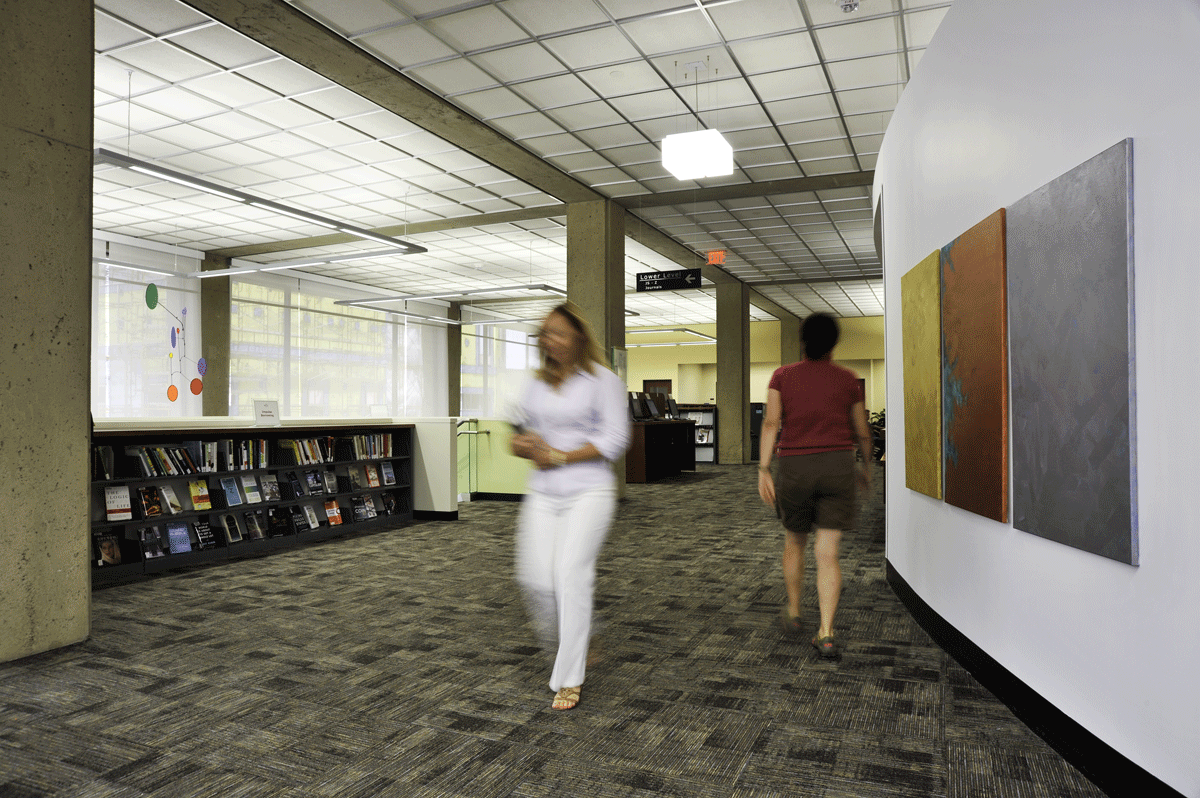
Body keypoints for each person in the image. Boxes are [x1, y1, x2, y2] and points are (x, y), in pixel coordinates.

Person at [510, 302, 631, 710]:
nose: (550, 340)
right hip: (544, 492)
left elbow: (616, 439)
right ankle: (585, 632)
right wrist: (522, 444)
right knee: (535, 580)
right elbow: (522, 435)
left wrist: (560, 456)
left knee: (570, 575)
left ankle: (569, 677)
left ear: (579, 337)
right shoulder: (536, 385)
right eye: (545, 333)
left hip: (589, 491)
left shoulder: (602, 381)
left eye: (559, 333)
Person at [757, 313, 872, 659]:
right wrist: (866, 466)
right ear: (834, 343)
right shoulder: (848, 379)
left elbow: (771, 423)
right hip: (838, 467)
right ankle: (826, 632)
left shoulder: (782, 376)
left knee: (795, 541)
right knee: (828, 552)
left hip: (796, 468)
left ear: (802, 341)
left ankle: (794, 610)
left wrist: (763, 468)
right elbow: (862, 430)